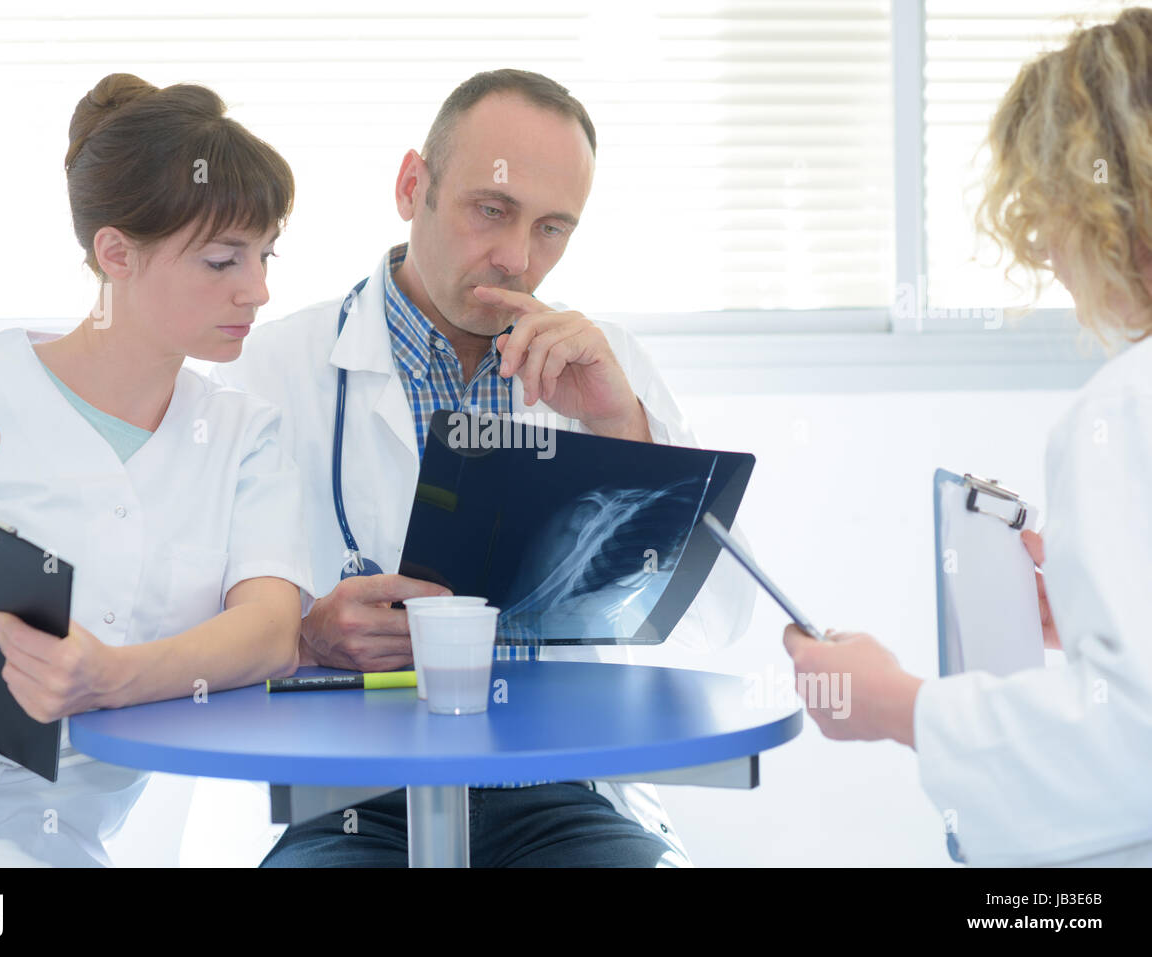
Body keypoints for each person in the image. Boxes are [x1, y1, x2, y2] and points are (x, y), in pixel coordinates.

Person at [212, 68, 755, 867]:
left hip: (562, 792)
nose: (515, 257)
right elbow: (188, 620)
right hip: (353, 797)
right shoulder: (272, 367)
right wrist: (302, 637)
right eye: (491, 210)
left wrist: (616, 421)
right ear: (412, 186)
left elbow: (721, 617)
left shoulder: (607, 368)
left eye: (552, 228)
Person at [0, 73, 312, 866]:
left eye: (264, 254)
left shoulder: (244, 436)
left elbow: (271, 634)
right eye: (221, 259)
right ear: (116, 252)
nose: (259, 289)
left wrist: (110, 676)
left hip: (62, 834)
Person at [782, 8, 1152, 867]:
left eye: (1048, 210)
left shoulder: (1123, 409)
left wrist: (895, 706)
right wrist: (1102, 597)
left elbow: (1134, 741)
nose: (1048, 252)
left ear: (1097, 202)